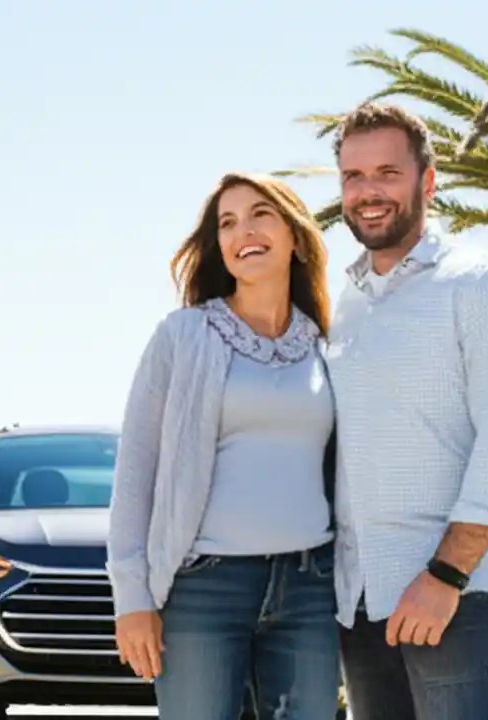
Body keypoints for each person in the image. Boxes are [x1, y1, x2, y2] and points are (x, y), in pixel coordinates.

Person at [323, 101, 488, 720]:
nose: (369, 192)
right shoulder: (343, 304)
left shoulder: (481, 284)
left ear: (428, 180)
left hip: (453, 597)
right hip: (357, 601)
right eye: (353, 177)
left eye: (387, 174)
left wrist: (447, 576)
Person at [106, 172, 341, 720]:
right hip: (203, 590)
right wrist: (132, 599)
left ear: (296, 237)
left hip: (309, 589)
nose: (244, 232)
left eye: (261, 214)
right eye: (227, 223)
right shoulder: (183, 336)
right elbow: (135, 472)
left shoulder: (329, 345)